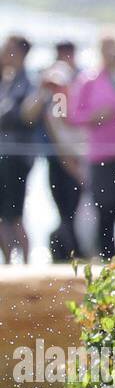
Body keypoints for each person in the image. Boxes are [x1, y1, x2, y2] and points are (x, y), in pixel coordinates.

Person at [69, 32, 115, 259]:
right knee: (105, 210)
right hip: (99, 155)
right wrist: (96, 116)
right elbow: (74, 115)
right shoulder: (88, 80)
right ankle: (107, 260)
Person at [21, 58, 87, 260]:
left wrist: (72, 162)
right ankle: (70, 254)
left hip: (75, 162)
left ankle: (77, 253)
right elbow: (35, 118)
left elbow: (66, 130)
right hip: (60, 162)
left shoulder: (69, 99)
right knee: (66, 212)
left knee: (76, 213)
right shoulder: (55, 101)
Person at [0, 35, 35, 261]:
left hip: (16, 159)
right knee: (4, 216)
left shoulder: (28, 84)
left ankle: (24, 264)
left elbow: (24, 117)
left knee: (14, 216)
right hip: (5, 157)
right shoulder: (8, 81)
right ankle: (9, 265)